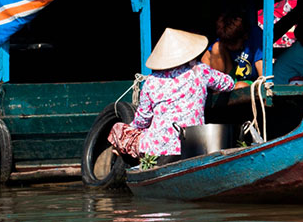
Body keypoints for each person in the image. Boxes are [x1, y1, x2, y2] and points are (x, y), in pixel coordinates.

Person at [108, 28, 235, 158]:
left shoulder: (151, 81)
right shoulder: (200, 71)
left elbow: (142, 120)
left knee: (119, 129)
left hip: (157, 148)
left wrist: (132, 129)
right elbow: (229, 83)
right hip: (192, 144)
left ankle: (124, 154)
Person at [201, 12, 260, 84]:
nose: (229, 47)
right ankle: (217, 88)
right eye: (227, 44)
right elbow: (205, 59)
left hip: (248, 82)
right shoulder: (223, 40)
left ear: (244, 36)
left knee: (240, 86)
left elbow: (260, 63)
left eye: (232, 43)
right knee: (216, 47)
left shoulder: (255, 35)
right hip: (229, 80)